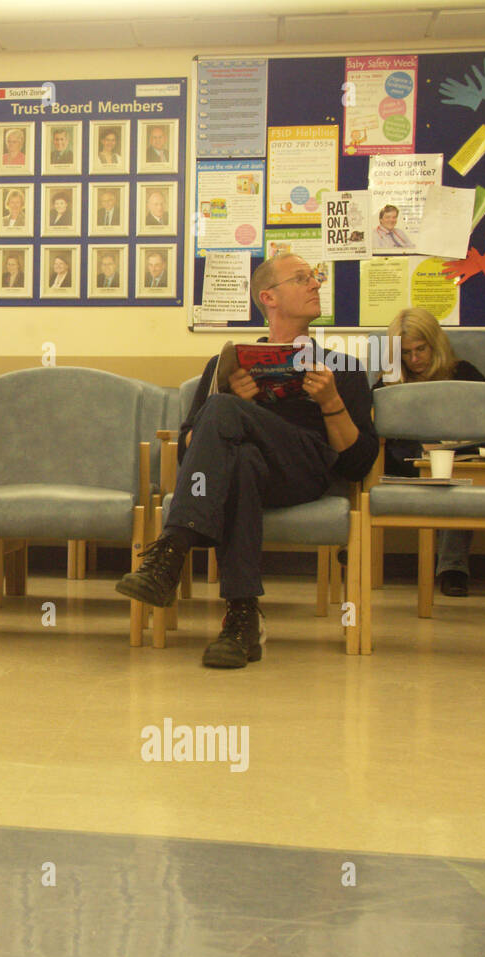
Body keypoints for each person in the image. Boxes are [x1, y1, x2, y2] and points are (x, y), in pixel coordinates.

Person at [116, 253, 378, 668]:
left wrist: (330, 402)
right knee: (239, 460)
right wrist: (232, 402)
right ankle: (241, 618)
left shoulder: (342, 368)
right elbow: (188, 448)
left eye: (315, 278)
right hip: (249, 474)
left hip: (304, 473)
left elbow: (358, 464)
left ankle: (172, 552)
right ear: (268, 297)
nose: (315, 284)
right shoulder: (226, 364)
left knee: (223, 414)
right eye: (302, 278)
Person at [378, 307, 485, 598]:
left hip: (456, 464)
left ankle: (452, 568)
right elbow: (373, 427)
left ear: (434, 344)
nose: (414, 360)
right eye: (405, 353)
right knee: (445, 472)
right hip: (405, 465)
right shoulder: (389, 381)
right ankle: (454, 568)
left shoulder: (462, 373)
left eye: (420, 349)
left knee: (454, 475)